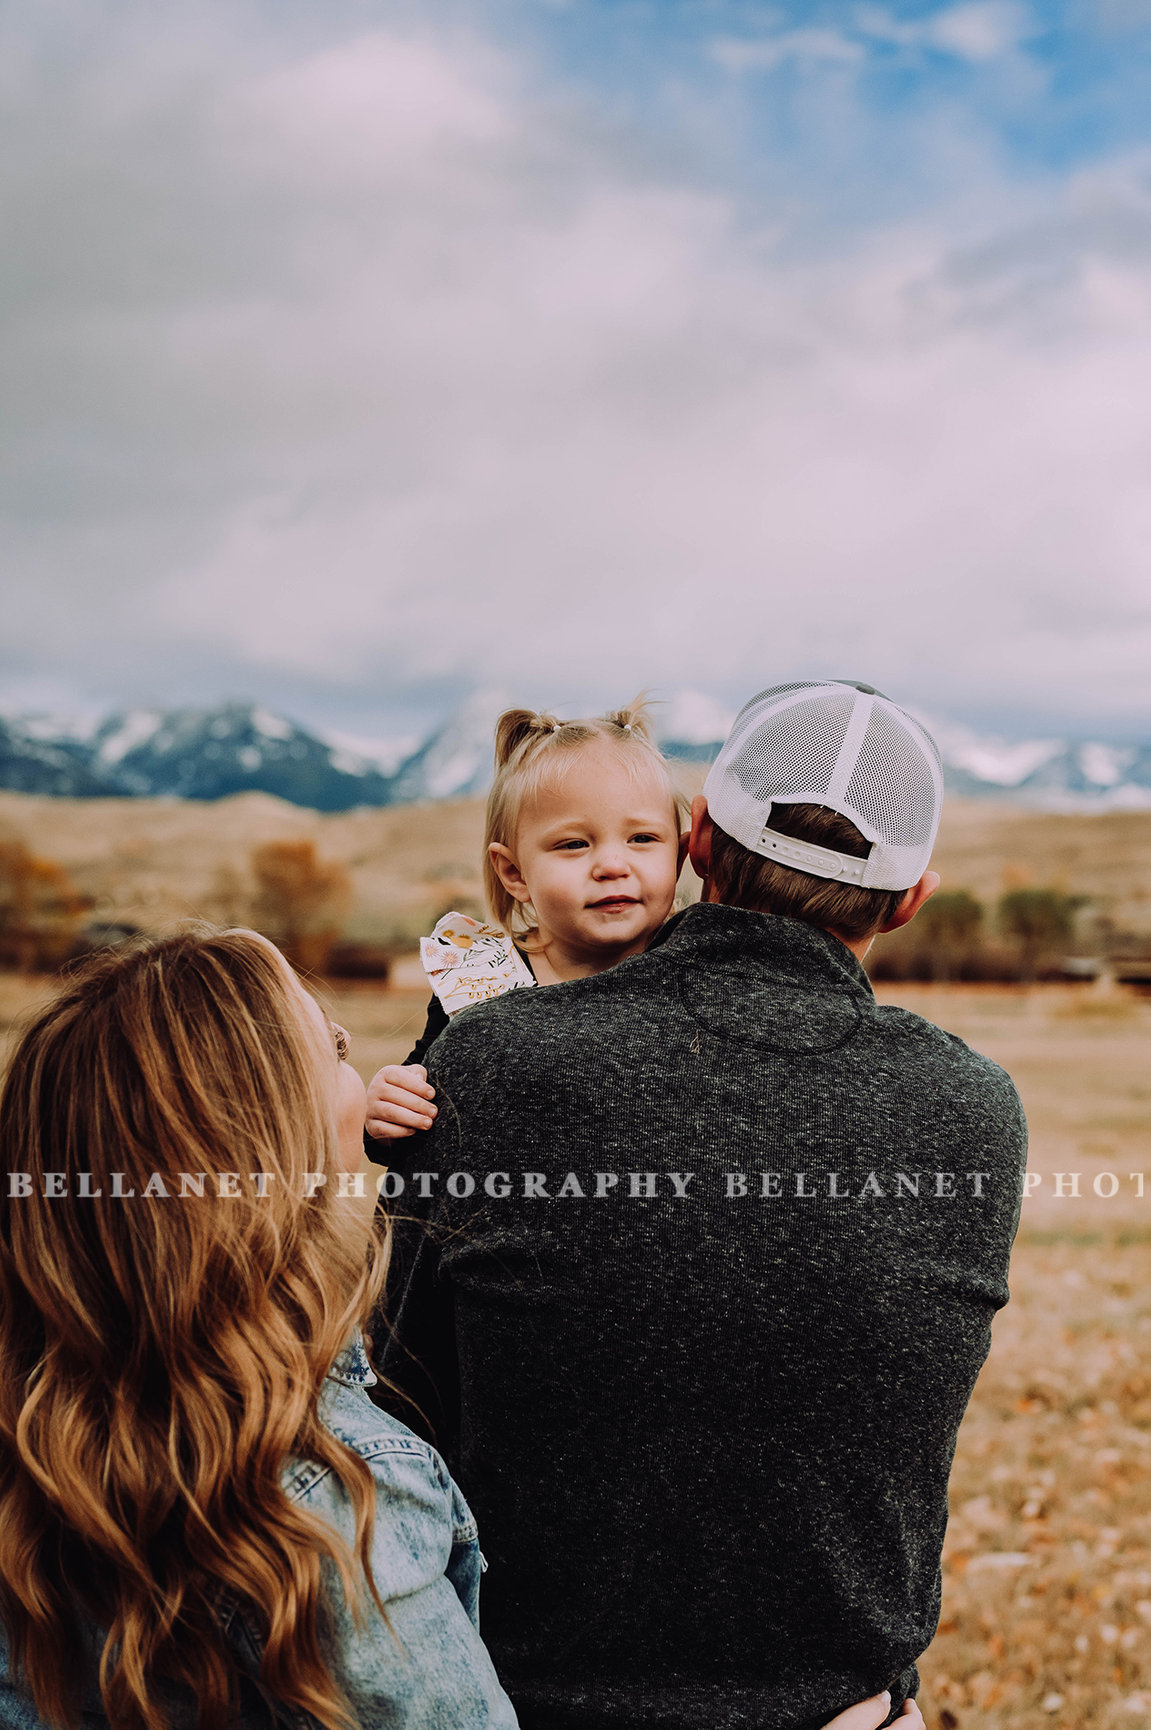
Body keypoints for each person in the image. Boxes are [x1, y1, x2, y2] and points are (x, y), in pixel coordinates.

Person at [373, 680, 1028, 1730]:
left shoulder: (491, 1059)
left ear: (697, 843)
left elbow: (392, 1403)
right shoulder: (974, 1111)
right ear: (910, 899)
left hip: (522, 1700)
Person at [0, 928, 517, 1730]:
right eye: (335, 1050)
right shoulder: (337, 1496)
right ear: (269, 1148)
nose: (360, 1081)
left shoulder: (31, 1441)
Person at [365, 699, 689, 1148]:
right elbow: (424, 1120)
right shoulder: (482, 979)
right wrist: (390, 1110)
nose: (613, 864)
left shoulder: (698, 966)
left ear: (681, 852)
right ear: (514, 873)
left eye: (642, 838)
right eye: (575, 844)